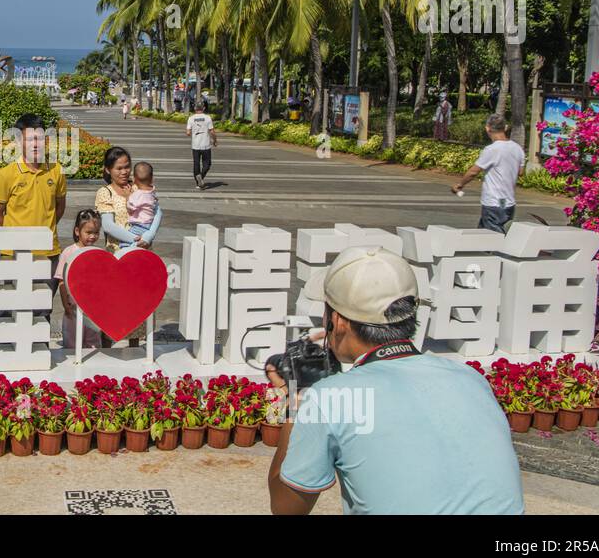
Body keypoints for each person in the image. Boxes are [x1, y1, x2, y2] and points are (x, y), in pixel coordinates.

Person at [266, 245, 524, 515]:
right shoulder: (471, 379)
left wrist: (299, 401)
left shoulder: (329, 397)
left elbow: (286, 509)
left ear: (337, 321)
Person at [0, 113, 68, 322]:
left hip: (49, 252)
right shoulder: (6, 174)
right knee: (10, 308)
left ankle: (40, 352)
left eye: (40, 138)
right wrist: (16, 238)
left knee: (43, 310)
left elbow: (59, 208)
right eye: (30, 139)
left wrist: (44, 231)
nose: (36, 144)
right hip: (14, 253)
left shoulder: (57, 171)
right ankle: (5, 351)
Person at [452, 114, 525, 233]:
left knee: (492, 237)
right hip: (507, 202)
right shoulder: (517, 148)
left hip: (493, 202)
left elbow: (473, 172)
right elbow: (521, 172)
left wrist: (460, 184)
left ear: (487, 128)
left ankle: (492, 251)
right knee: (484, 234)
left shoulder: (492, 149)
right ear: (505, 128)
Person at [55, 210, 104, 350]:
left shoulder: (98, 253)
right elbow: (61, 281)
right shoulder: (68, 252)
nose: (93, 236)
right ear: (77, 231)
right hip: (73, 309)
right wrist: (66, 304)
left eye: (96, 232)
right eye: (88, 232)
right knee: (71, 344)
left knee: (93, 344)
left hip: (92, 310)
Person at [121, 162, 162, 249]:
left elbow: (131, 208)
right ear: (151, 179)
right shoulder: (152, 192)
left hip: (139, 225)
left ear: (134, 179)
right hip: (148, 224)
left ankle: (131, 248)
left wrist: (128, 196)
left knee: (125, 244)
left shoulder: (138, 194)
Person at [185, 101, 217, 189]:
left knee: (196, 163)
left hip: (195, 145)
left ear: (195, 108)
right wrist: (215, 140)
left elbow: (188, 132)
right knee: (207, 163)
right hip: (206, 144)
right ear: (203, 108)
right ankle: (201, 177)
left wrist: (192, 132)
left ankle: (198, 182)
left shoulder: (191, 118)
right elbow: (212, 131)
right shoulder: (207, 118)